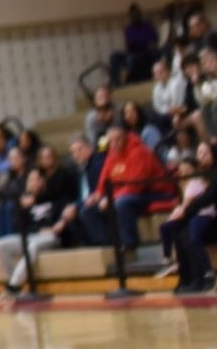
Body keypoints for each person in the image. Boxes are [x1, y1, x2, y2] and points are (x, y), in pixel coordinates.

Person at [90, 120, 174, 249]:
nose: (114, 144)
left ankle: (130, 244)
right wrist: (99, 193)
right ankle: (107, 245)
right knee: (87, 209)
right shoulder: (112, 152)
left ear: (125, 137)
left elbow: (136, 185)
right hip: (132, 193)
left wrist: (111, 198)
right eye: (111, 141)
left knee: (122, 203)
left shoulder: (138, 151)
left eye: (118, 139)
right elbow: (105, 177)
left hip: (157, 192)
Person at [0, 168, 61, 297]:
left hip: (50, 236)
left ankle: (13, 286)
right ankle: (15, 285)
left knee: (33, 246)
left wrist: (54, 225)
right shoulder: (25, 202)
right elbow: (19, 227)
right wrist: (22, 208)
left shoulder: (55, 194)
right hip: (31, 235)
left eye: (36, 179)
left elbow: (63, 211)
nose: (33, 183)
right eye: (30, 180)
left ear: (43, 180)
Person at [162, 142, 217, 294]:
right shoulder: (200, 174)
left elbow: (209, 198)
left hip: (211, 218)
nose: (201, 157)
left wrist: (186, 210)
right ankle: (188, 277)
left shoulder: (213, 174)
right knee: (179, 232)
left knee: (191, 232)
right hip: (204, 217)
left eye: (205, 153)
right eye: (199, 153)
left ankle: (206, 275)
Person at [61, 135, 110, 247]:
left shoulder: (97, 164)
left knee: (86, 211)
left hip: (102, 199)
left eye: (79, 150)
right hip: (88, 201)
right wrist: (75, 205)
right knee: (68, 215)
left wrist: (76, 206)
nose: (76, 154)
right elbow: (83, 195)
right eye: (73, 152)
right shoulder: (80, 169)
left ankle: (104, 245)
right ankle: (88, 245)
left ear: (90, 147)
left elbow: (96, 193)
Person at [112, 3, 159, 86]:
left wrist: (144, 44)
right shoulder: (128, 29)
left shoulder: (147, 26)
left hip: (144, 51)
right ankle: (116, 83)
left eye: (136, 13)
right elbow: (128, 44)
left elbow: (153, 42)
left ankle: (128, 78)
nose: (134, 16)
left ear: (140, 14)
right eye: (132, 14)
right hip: (131, 51)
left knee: (132, 59)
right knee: (114, 56)